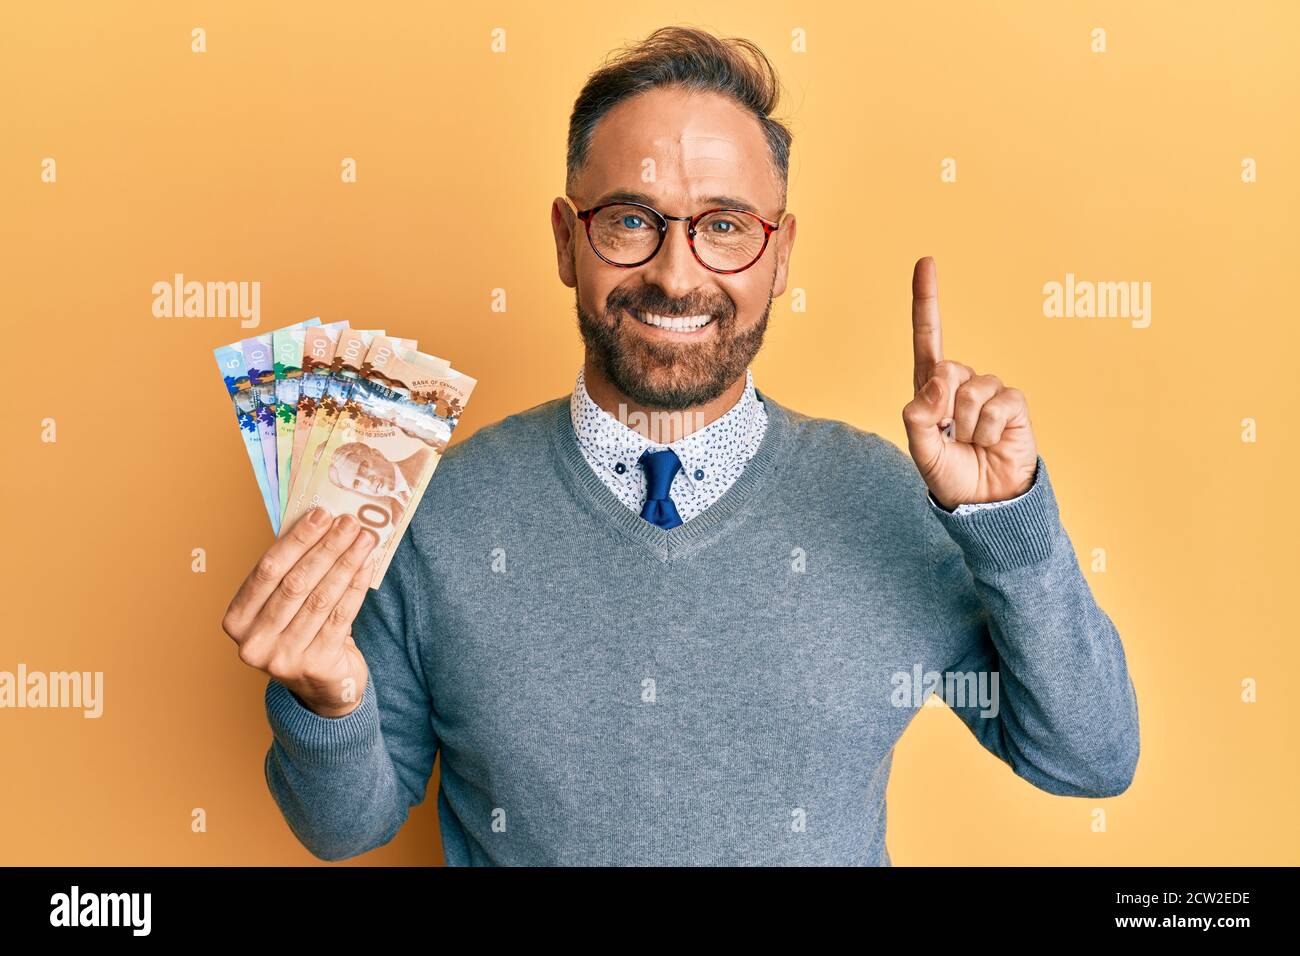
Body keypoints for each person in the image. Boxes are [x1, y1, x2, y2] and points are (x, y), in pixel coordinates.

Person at [222, 26, 1139, 866]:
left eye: (725, 227)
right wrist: (328, 703)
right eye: (631, 219)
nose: (675, 271)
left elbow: (1090, 758)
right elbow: (345, 831)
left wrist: (1006, 524)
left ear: (780, 257)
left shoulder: (889, 500)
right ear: (564, 241)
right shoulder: (438, 512)